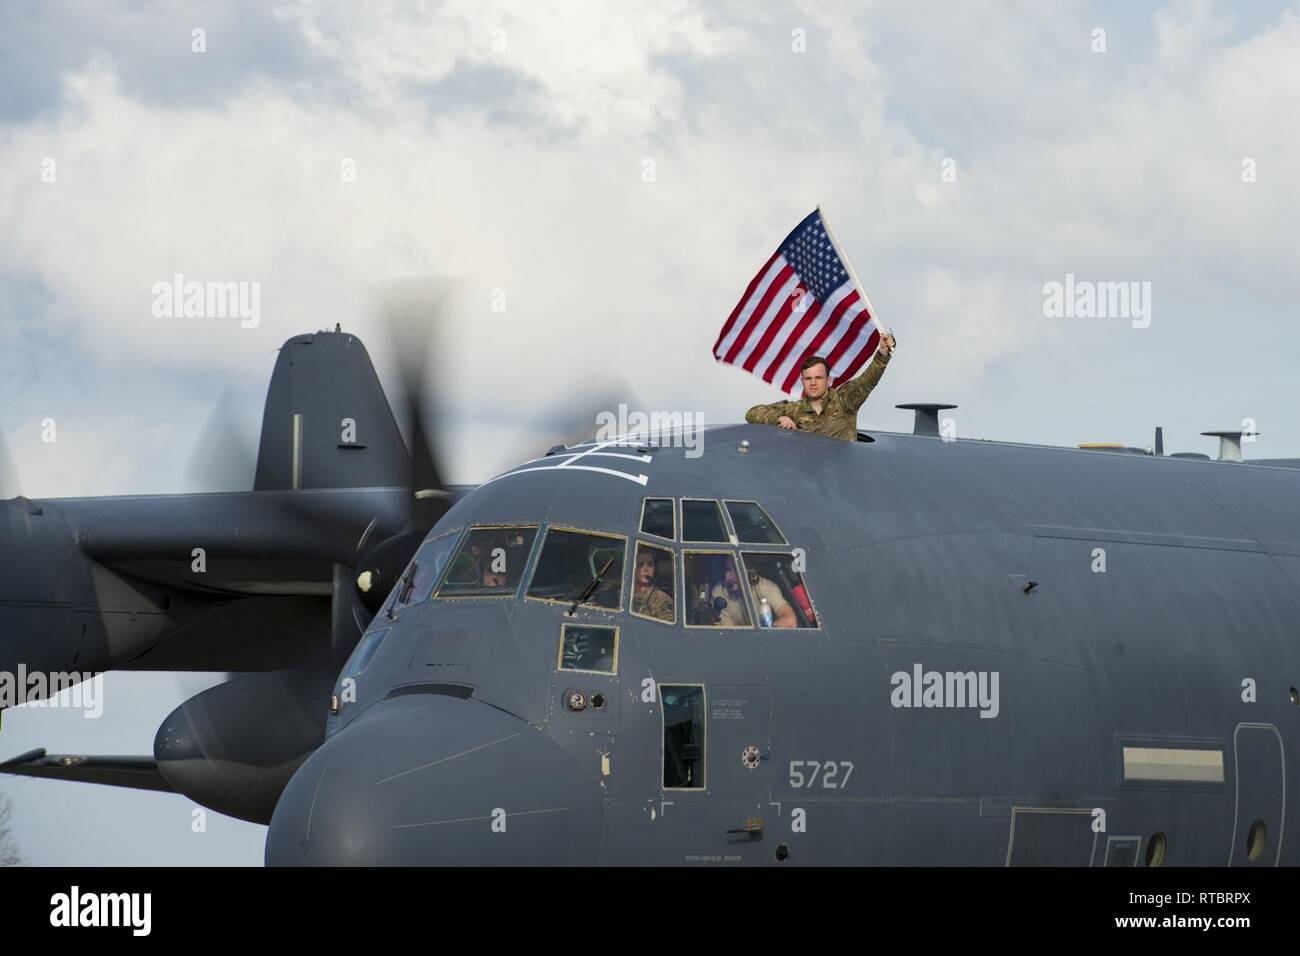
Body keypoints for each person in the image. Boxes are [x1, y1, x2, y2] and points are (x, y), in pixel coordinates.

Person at [745, 332, 896, 442]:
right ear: (802, 381)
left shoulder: (844, 400)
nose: (813, 383)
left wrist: (882, 354)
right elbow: (752, 413)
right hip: (811, 475)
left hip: (843, 474)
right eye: (808, 378)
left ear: (828, 380)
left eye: (818, 378)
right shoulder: (794, 409)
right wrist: (779, 418)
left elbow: (867, 380)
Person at [711, 561, 796, 628]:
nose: (730, 577)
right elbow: (727, 634)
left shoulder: (765, 587)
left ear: (750, 572)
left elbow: (790, 619)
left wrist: (764, 636)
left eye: (736, 570)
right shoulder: (719, 593)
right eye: (728, 570)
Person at [632, 549, 674, 622]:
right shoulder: (623, 594)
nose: (646, 569)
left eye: (650, 565)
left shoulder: (663, 600)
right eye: (640, 565)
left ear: (654, 569)